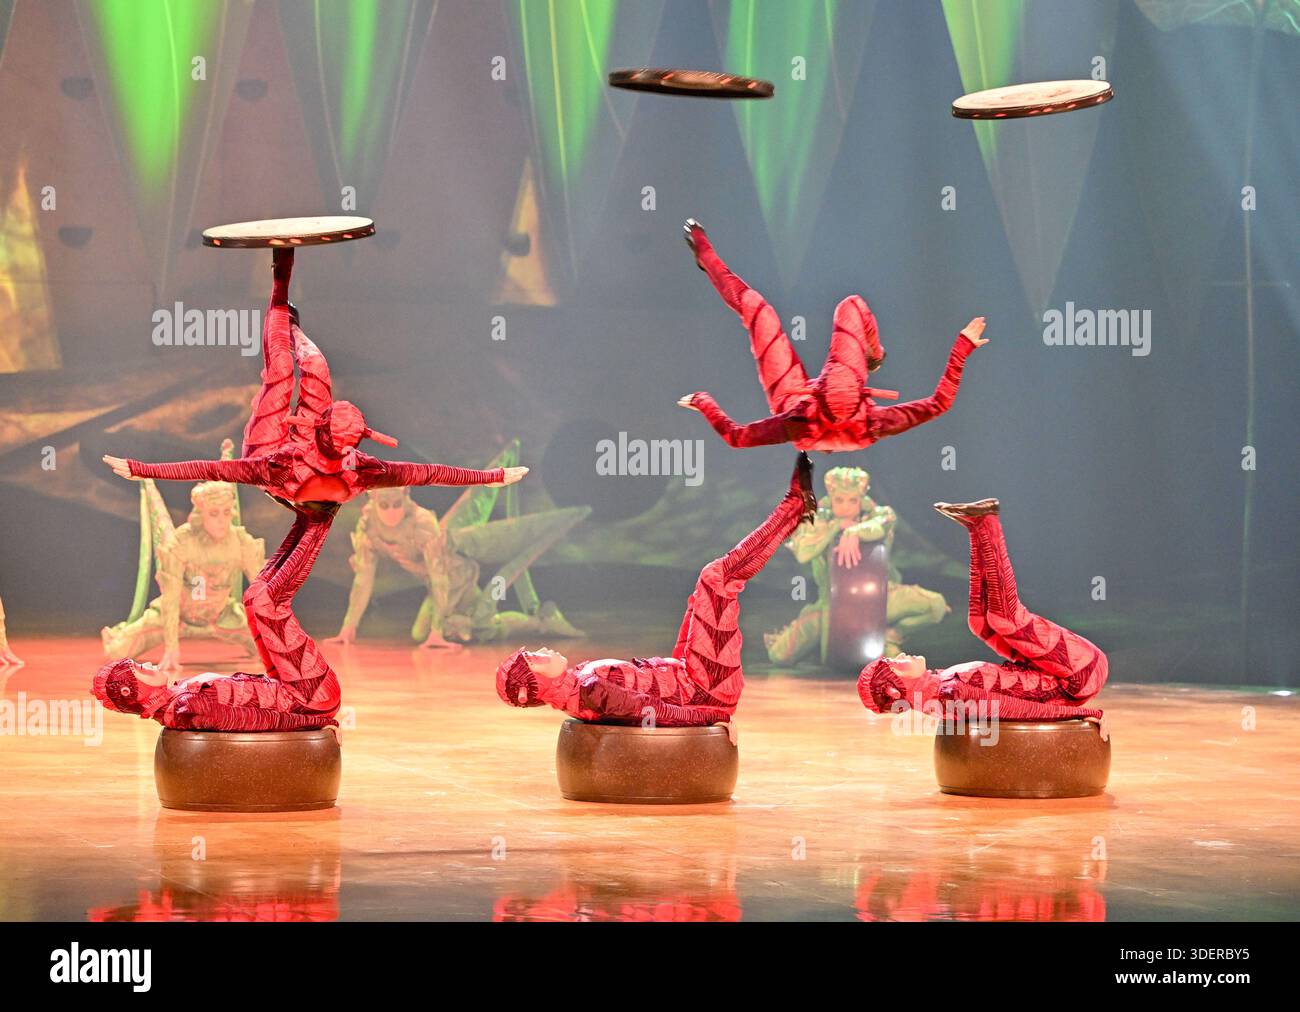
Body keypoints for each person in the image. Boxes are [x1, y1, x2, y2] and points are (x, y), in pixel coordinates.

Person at [94, 247, 519, 730]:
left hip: (316, 514)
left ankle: (286, 305)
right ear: (319, 431)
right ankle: (280, 291)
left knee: (262, 597)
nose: (343, 454)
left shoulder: (362, 469)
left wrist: (492, 477)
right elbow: (212, 466)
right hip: (271, 448)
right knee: (288, 370)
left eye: (347, 447)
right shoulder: (277, 462)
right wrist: (141, 467)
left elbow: (432, 474)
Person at [496, 454, 817, 726]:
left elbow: (655, 686)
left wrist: (689, 637)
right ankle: (792, 508)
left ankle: (794, 511)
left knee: (704, 593)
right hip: (708, 689)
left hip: (690, 676)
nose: (543, 651)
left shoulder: (577, 687)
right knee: (716, 578)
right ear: (536, 684)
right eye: (535, 659)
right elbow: (658, 713)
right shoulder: (590, 690)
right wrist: (713, 718)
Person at [678, 219, 987, 451]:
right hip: (828, 412)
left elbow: (737, 436)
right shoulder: (873, 421)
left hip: (794, 405)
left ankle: (706, 257)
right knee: (851, 305)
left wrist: (705, 403)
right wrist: (962, 346)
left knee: (757, 309)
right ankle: (876, 354)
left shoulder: (796, 421)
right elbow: (938, 403)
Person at [857, 499, 1108, 722]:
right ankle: (987, 522)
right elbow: (1016, 709)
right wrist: (1086, 714)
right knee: (1005, 619)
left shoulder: (936, 689)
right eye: (894, 665)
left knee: (980, 623)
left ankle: (976, 527)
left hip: (1056, 672)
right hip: (1078, 676)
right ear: (895, 690)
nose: (900, 656)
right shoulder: (949, 696)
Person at [765, 465, 948, 664]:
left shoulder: (879, 514)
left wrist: (855, 532)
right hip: (832, 606)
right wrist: (836, 527)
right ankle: (821, 643)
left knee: (935, 605)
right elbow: (803, 552)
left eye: (853, 500)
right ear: (831, 497)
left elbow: (881, 524)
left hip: (881, 599)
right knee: (779, 655)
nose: (846, 506)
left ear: (861, 499)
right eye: (839, 500)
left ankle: (889, 636)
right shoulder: (816, 520)